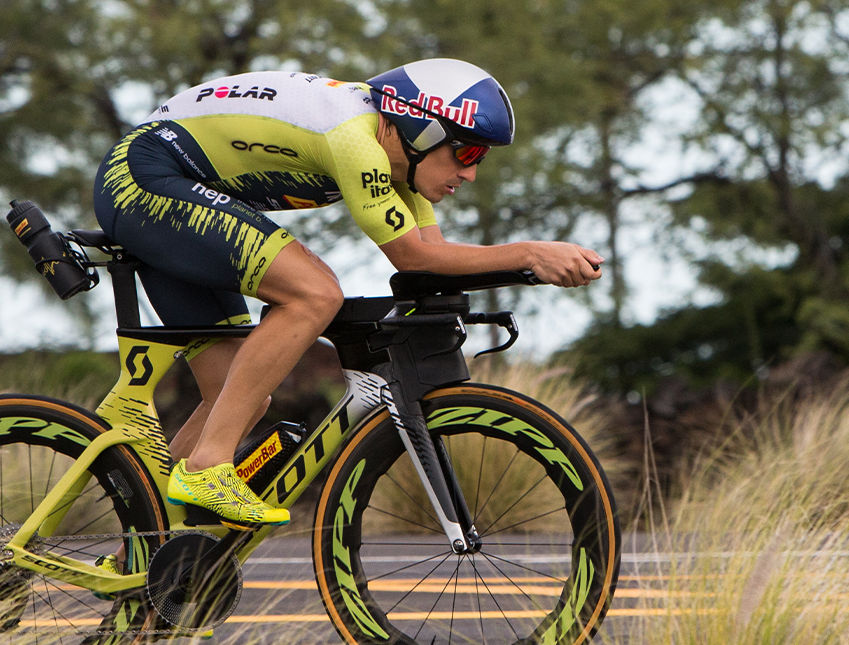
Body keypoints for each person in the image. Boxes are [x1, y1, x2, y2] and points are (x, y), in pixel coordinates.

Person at [94, 59, 603, 526]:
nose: (470, 172)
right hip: (143, 181)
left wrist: (532, 270)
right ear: (422, 128)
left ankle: (142, 554)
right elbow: (413, 259)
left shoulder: (399, 163)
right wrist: (529, 253)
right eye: (465, 151)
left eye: (480, 158)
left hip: (169, 189)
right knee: (315, 294)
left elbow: (435, 259)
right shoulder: (355, 138)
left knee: (239, 395)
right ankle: (208, 468)